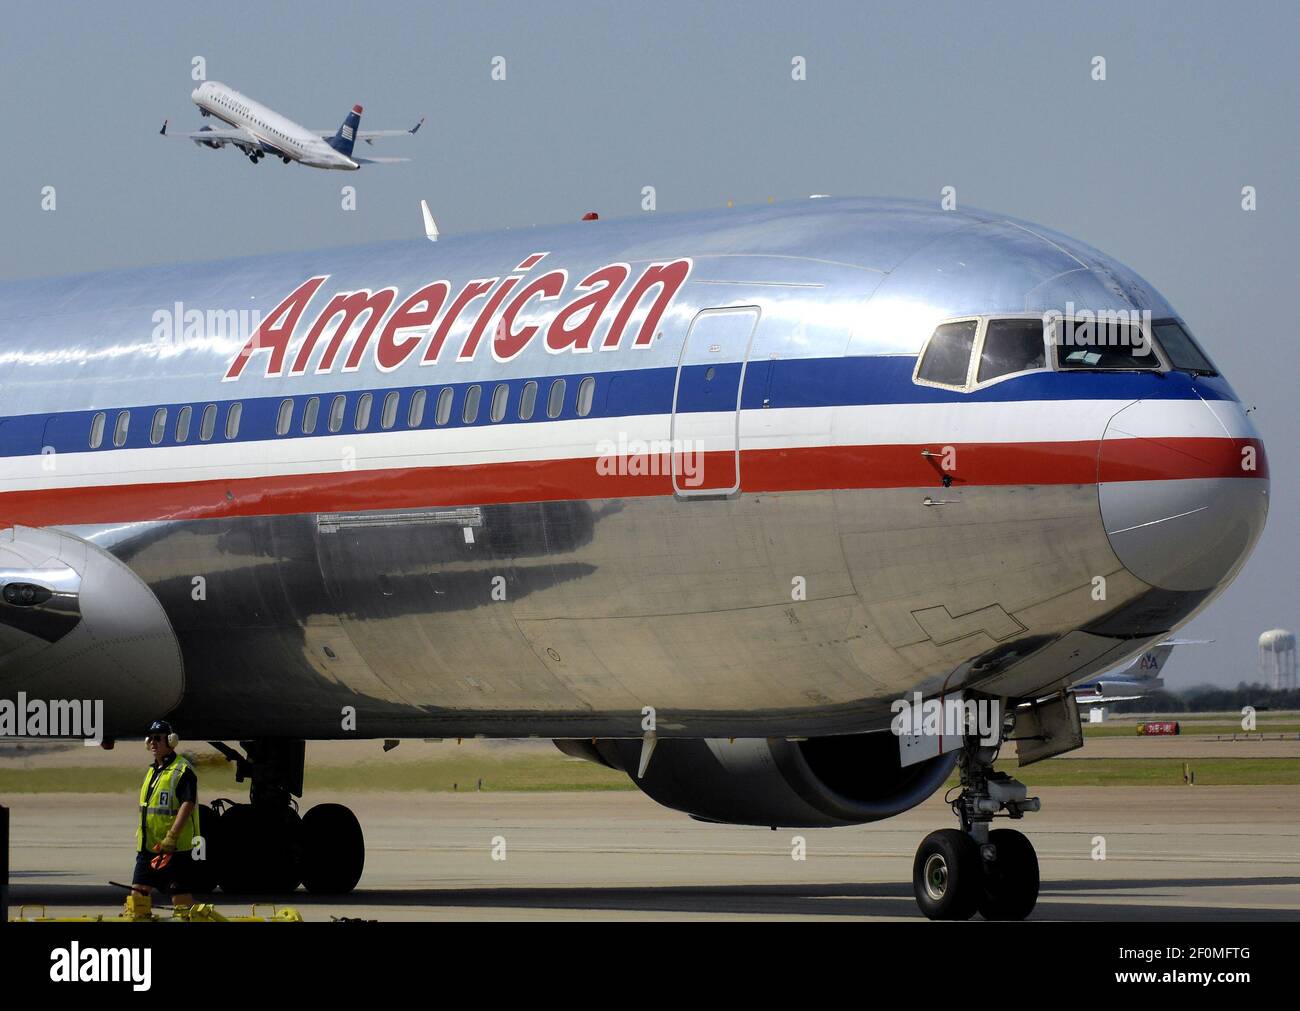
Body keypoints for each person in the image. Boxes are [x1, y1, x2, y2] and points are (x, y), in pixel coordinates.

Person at [131, 719, 200, 908]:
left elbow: (188, 804)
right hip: (148, 847)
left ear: (170, 741)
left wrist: (172, 837)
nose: (153, 743)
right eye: (150, 739)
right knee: (137, 896)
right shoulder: (153, 771)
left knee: (180, 899)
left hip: (173, 849)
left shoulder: (182, 770)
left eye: (158, 739)